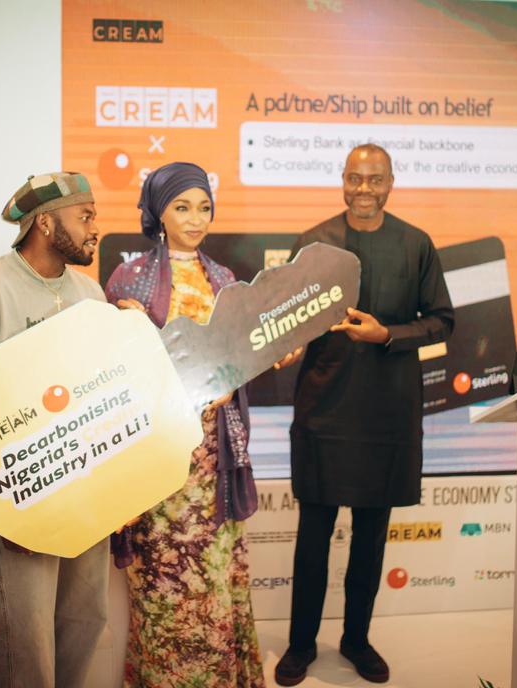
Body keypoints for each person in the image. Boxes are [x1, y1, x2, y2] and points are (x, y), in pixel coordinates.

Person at [274, 144, 455, 685]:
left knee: (371, 539)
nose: (364, 189)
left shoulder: (416, 244)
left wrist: (387, 334)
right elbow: (286, 319)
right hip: (324, 411)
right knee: (313, 538)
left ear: (391, 183)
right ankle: (300, 645)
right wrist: (284, 343)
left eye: (375, 179)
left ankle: (357, 640)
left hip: (387, 415)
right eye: (355, 178)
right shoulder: (314, 244)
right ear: (343, 180)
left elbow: (442, 321)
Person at [105, 162, 264, 688]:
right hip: (157, 464)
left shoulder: (225, 281)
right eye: (182, 207)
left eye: (204, 207)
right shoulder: (128, 280)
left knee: (213, 586)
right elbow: (111, 375)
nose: (196, 219)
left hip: (214, 464)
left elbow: (238, 358)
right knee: (161, 587)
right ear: (158, 212)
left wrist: (244, 371)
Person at [0, 172, 108, 688]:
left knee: (84, 620)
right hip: (24, 491)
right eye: (85, 216)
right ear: (44, 222)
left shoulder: (91, 294)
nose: (95, 228)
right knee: (26, 635)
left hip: (89, 490)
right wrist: (13, 502)